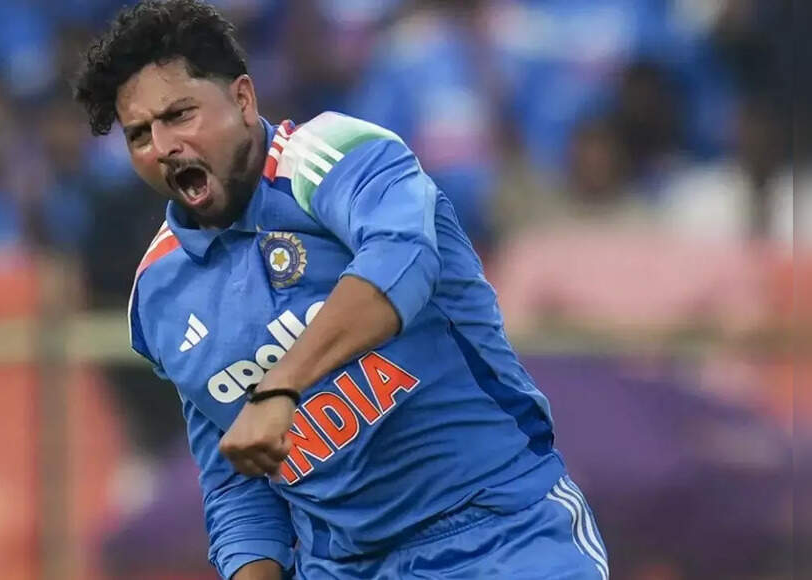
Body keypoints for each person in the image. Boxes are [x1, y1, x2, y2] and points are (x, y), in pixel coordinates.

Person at [74, 1, 607, 578]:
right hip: (345, 567)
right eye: (139, 135)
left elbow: (402, 261)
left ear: (243, 99)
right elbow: (237, 485)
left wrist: (280, 388)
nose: (163, 147)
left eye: (180, 114)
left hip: (499, 532)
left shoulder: (335, 154)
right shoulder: (159, 293)